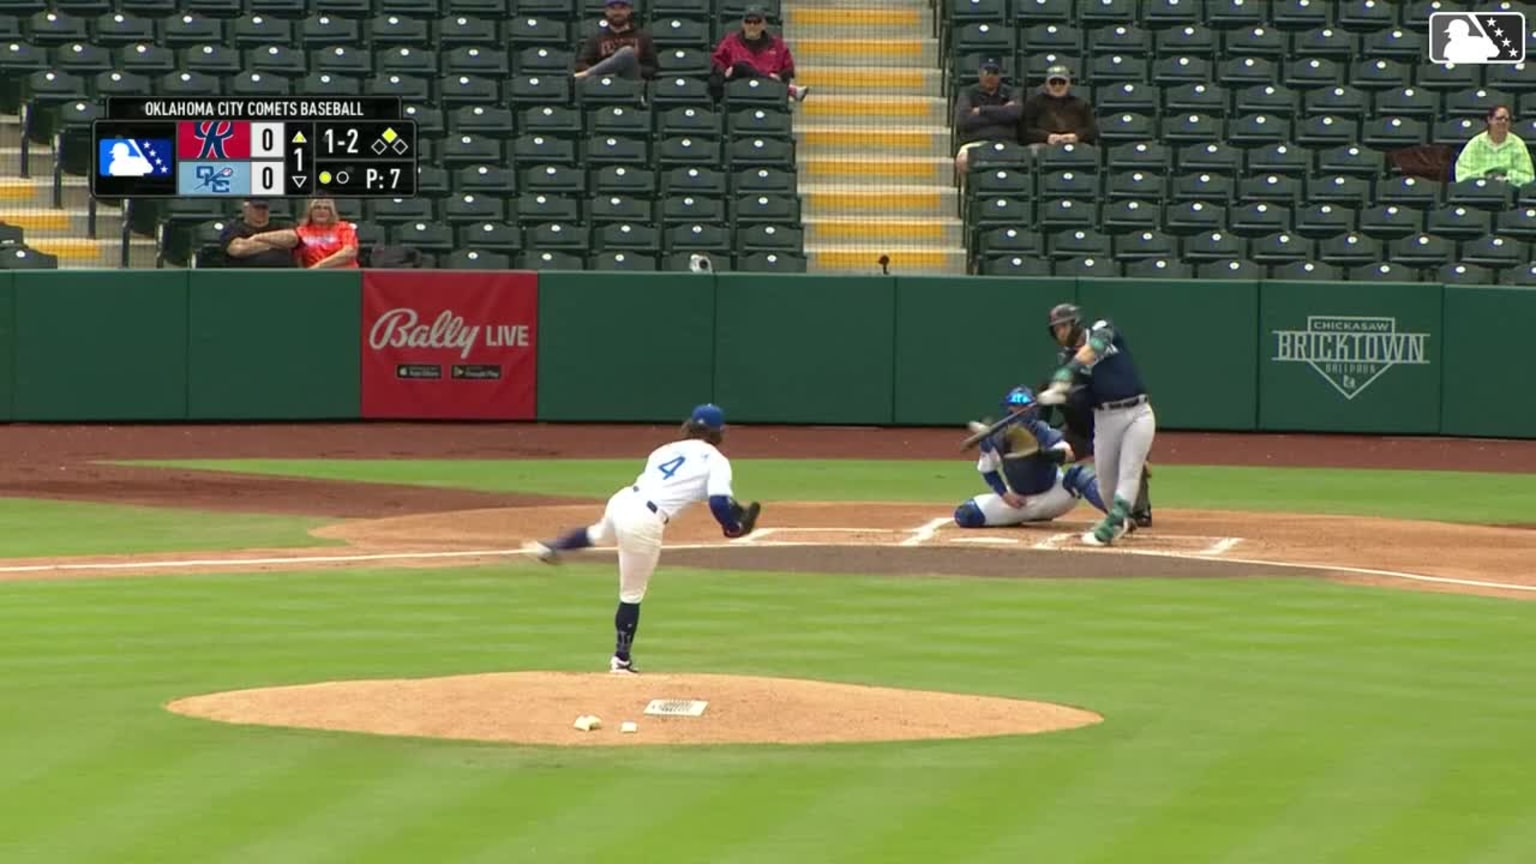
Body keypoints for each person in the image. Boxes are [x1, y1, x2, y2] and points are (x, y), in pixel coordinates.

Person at [524, 404, 758, 675]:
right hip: (644, 521)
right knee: (631, 594)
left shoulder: (665, 449)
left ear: (690, 425)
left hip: (623, 500)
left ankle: (551, 546)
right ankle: (621, 660)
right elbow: (718, 502)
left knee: (599, 534)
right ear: (719, 432)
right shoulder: (716, 460)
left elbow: (697, 491)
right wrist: (732, 526)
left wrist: (734, 512)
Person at [1037, 303, 1155, 547]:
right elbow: (1081, 397)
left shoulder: (1101, 329)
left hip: (1139, 412)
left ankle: (1111, 527)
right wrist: (1061, 394)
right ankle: (1120, 519)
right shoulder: (1066, 359)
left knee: (1130, 468)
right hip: (1105, 419)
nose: (1061, 332)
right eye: (1056, 329)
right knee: (1106, 486)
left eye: (1064, 326)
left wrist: (1067, 373)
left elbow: (1096, 347)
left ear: (1076, 323)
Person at [953, 386, 1107, 529]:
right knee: (966, 514)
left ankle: (1115, 516)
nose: (1019, 410)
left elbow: (1068, 454)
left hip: (1054, 496)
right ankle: (1027, 516)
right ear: (1009, 408)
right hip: (1020, 501)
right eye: (1015, 406)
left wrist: (1041, 454)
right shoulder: (997, 438)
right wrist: (1005, 495)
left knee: (1078, 474)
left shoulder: (1041, 430)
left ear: (1032, 409)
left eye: (1023, 407)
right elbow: (987, 470)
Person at [1038, 365, 1153, 528]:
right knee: (1044, 452)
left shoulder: (1094, 391)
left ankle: (1141, 511)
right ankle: (1040, 497)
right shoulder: (1054, 390)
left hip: (1109, 430)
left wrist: (1143, 457)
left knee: (1133, 463)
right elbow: (1042, 423)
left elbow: (1128, 424)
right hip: (1077, 434)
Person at [709, 5, 808, 103]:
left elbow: (788, 69)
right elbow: (718, 61)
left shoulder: (777, 45)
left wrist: (781, 76)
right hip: (739, 92)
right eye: (748, 21)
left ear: (764, 24)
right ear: (743, 24)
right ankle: (790, 90)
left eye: (756, 22)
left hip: (768, 93)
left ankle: (782, 87)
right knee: (740, 67)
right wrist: (723, 71)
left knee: (740, 67)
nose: (752, 26)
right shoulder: (730, 41)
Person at [953, 57, 1021, 176]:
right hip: (975, 142)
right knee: (963, 161)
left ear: (1000, 75)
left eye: (994, 72)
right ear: (979, 73)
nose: (990, 76)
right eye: (986, 72)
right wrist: (1002, 112)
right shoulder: (968, 92)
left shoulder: (1010, 92)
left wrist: (981, 110)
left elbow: (1016, 113)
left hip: (1006, 143)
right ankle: (970, 187)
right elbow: (963, 120)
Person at [1019, 64, 1099, 152]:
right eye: (1053, 82)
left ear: (1069, 84)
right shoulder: (1034, 104)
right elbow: (1025, 131)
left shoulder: (1081, 104)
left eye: (1062, 82)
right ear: (1046, 84)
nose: (1057, 86)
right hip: (1043, 145)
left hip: (1075, 145)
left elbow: (1092, 130)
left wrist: (1076, 136)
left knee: (1088, 151)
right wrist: (1047, 137)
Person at [575, 0, 657, 81]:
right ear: (606, 11)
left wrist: (627, 68)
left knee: (627, 52)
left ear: (629, 10)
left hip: (631, 81)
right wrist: (607, 72)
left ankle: (588, 73)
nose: (617, 12)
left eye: (622, 8)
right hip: (602, 81)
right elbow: (581, 64)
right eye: (613, 8)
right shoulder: (596, 38)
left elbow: (652, 68)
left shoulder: (642, 37)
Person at [1454, 104, 1534, 186]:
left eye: (1507, 119)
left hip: (1507, 189)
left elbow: (1528, 177)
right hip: (1478, 188)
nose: (1503, 122)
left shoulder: (1518, 144)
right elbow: (1462, 173)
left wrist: (1507, 176)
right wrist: (1484, 176)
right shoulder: (1475, 143)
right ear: (1489, 120)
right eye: (1499, 118)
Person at [218, 198, 295, 268]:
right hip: (245, 275)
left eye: (264, 208)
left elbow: (293, 239)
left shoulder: (281, 225)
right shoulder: (233, 228)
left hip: (283, 273)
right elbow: (237, 249)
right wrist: (276, 243)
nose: (261, 211)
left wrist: (257, 238)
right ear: (246, 209)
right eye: (257, 208)